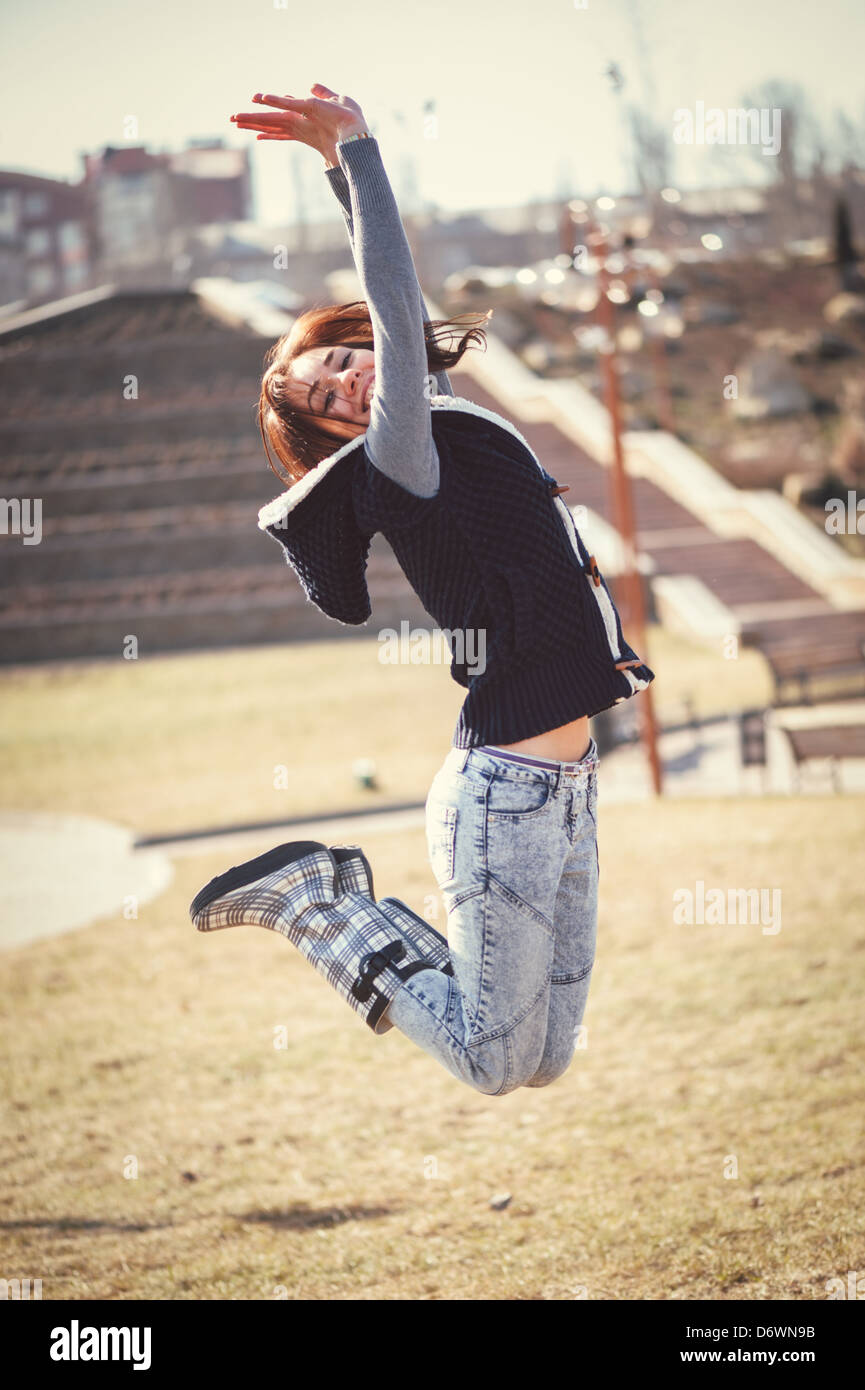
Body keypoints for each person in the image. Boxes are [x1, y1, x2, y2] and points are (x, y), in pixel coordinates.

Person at [189, 85, 656, 1097]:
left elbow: (393, 321)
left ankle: (355, 911)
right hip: (503, 790)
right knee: (491, 1062)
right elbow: (399, 314)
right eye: (324, 397)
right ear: (329, 435)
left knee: (543, 1058)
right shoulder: (400, 459)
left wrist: (332, 170)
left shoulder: (441, 423)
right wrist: (355, 154)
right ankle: (321, 899)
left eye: (345, 361)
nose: (349, 383)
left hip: (567, 788)